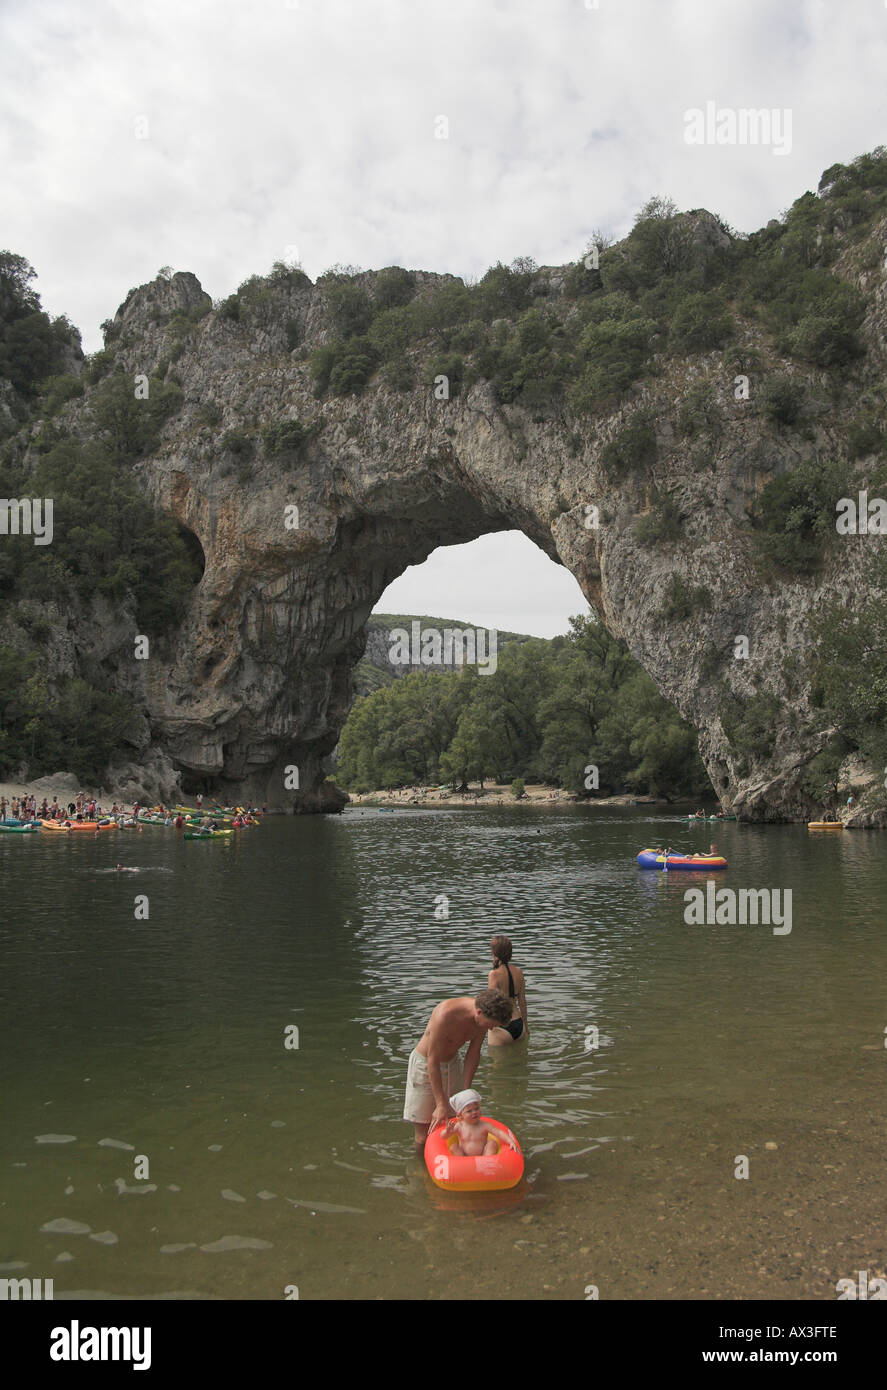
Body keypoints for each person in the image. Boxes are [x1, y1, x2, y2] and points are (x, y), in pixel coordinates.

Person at [403, 989, 513, 1149]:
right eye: (490, 1025)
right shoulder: (445, 1015)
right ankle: (418, 1168)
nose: (490, 1029)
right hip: (425, 1065)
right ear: (479, 1012)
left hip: (453, 1063)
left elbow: (473, 1054)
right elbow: (432, 1060)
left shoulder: (482, 1019)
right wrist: (440, 1104)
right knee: (424, 1133)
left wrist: (465, 1091)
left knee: (459, 1121)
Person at [444, 1090, 517, 1155]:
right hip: (463, 1156)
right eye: (469, 1111)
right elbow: (443, 1137)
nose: (474, 1112)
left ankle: (488, 1162)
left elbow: (499, 1133)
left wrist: (510, 1141)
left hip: (483, 1156)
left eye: (476, 1109)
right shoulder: (459, 1126)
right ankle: (459, 1164)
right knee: (454, 1147)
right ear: (460, 1115)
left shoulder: (484, 1126)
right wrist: (447, 1132)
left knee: (492, 1143)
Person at [487, 935, 528, 1046]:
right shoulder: (519, 972)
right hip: (519, 1025)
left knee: (497, 1063)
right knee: (520, 1062)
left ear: (494, 952)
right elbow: (522, 1002)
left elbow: (491, 1004)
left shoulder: (494, 974)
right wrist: (526, 1027)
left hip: (501, 1026)